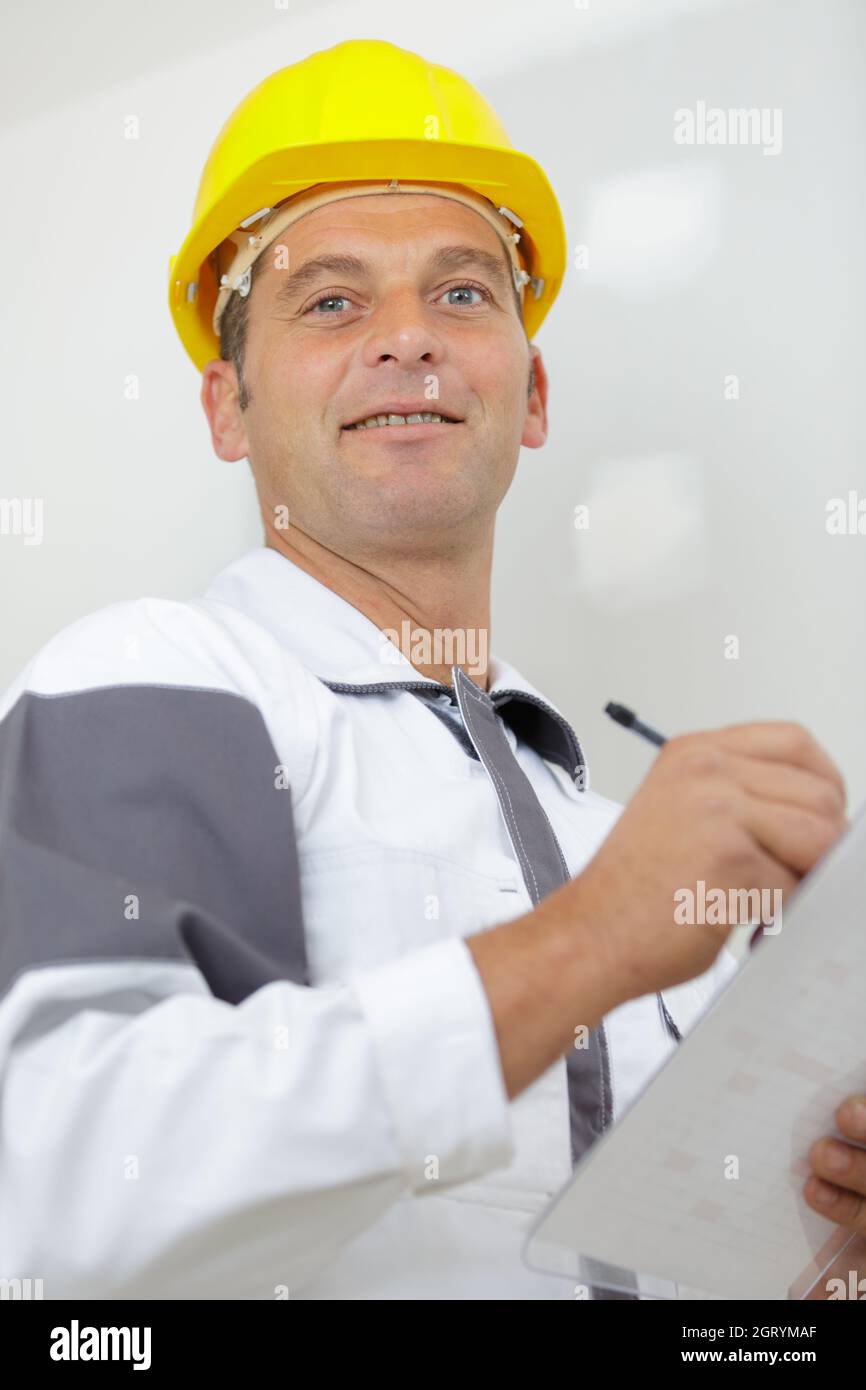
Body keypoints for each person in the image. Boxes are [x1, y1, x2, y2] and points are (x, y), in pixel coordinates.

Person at [0, 38, 860, 1302]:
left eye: (461, 294)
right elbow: (63, 1191)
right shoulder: (153, 679)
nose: (408, 340)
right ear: (226, 405)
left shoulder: (629, 838)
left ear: (532, 391)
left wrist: (827, 1267)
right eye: (331, 300)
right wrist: (595, 938)